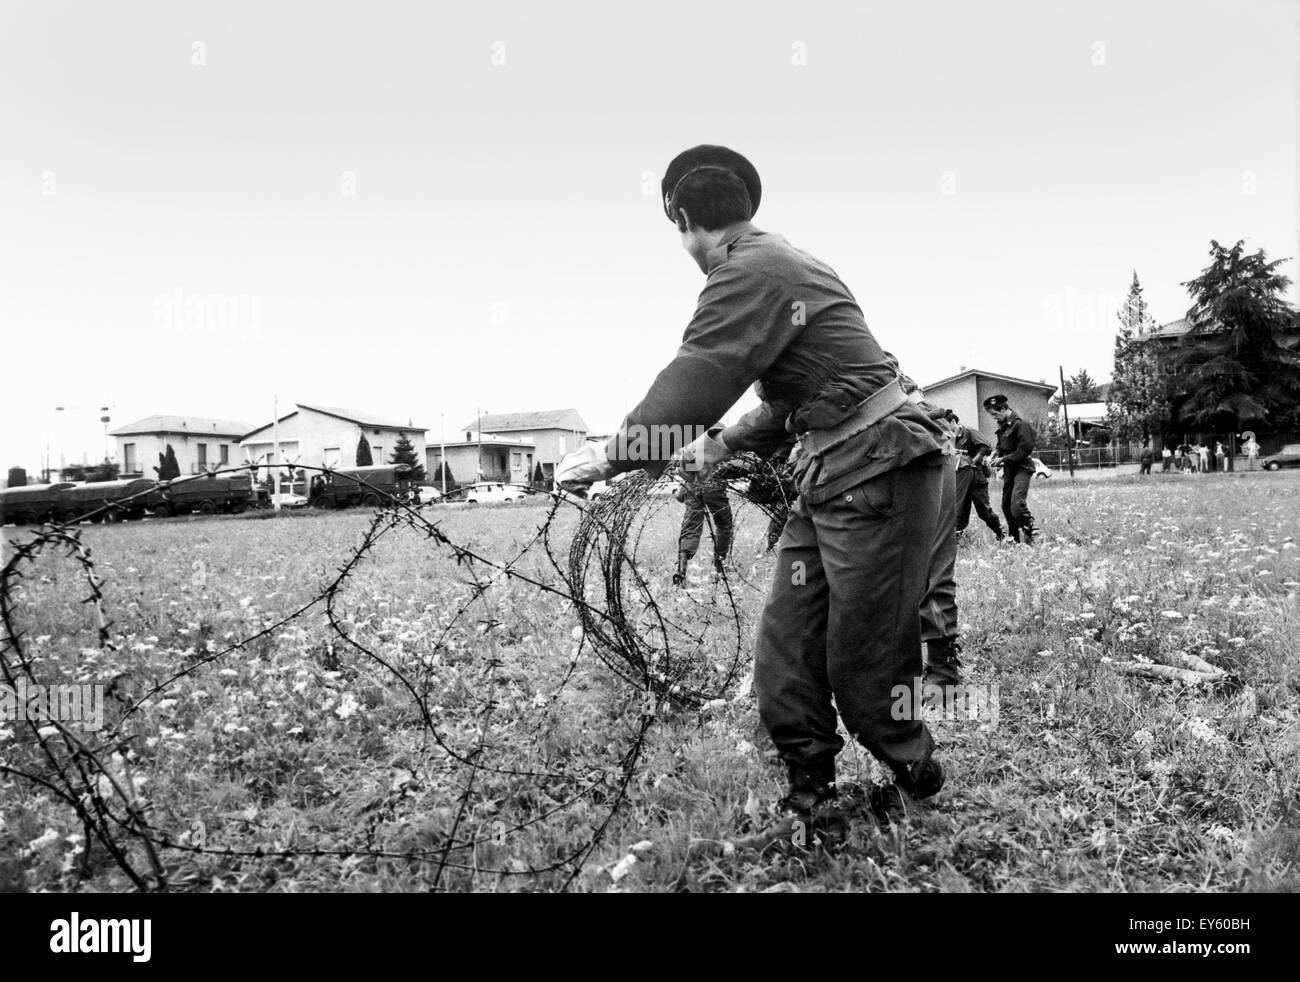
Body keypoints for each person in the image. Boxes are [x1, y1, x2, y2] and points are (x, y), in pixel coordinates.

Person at [555, 144, 948, 845]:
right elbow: (796, 392)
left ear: (681, 217)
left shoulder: (750, 271)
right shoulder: (781, 264)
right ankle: (814, 800)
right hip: (833, 474)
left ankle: (916, 774)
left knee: (862, 660)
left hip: (880, 469)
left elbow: (697, 377)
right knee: (785, 652)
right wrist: (725, 442)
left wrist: (608, 456)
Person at [985, 394, 1038, 544]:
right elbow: (1002, 444)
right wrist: (996, 452)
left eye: (995, 414)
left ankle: (1031, 533)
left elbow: (1024, 450)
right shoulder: (1004, 425)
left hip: (1022, 468)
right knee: (1006, 506)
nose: (994, 418)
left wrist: (1003, 459)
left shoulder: (1021, 424)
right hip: (1010, 469)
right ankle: (1015, 539)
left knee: (1017, 505)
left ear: (1003, 408)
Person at [672, 468, 734, 584]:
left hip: (691, 483)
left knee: (690, 528)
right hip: (712, 481)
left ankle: (680, 573)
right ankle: (720, 569)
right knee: (723, 524)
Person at [950, 414, 1003, 540]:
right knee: (959, 510)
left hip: (976, 478)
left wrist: (973, 461)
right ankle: (957, 539)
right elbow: (945, 453)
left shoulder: (968, 432)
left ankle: (1001, 533)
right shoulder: (946, 436)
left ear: (953, 421)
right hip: (959, 477)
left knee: (984, 511)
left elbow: (986, 446)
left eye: (946, 424)